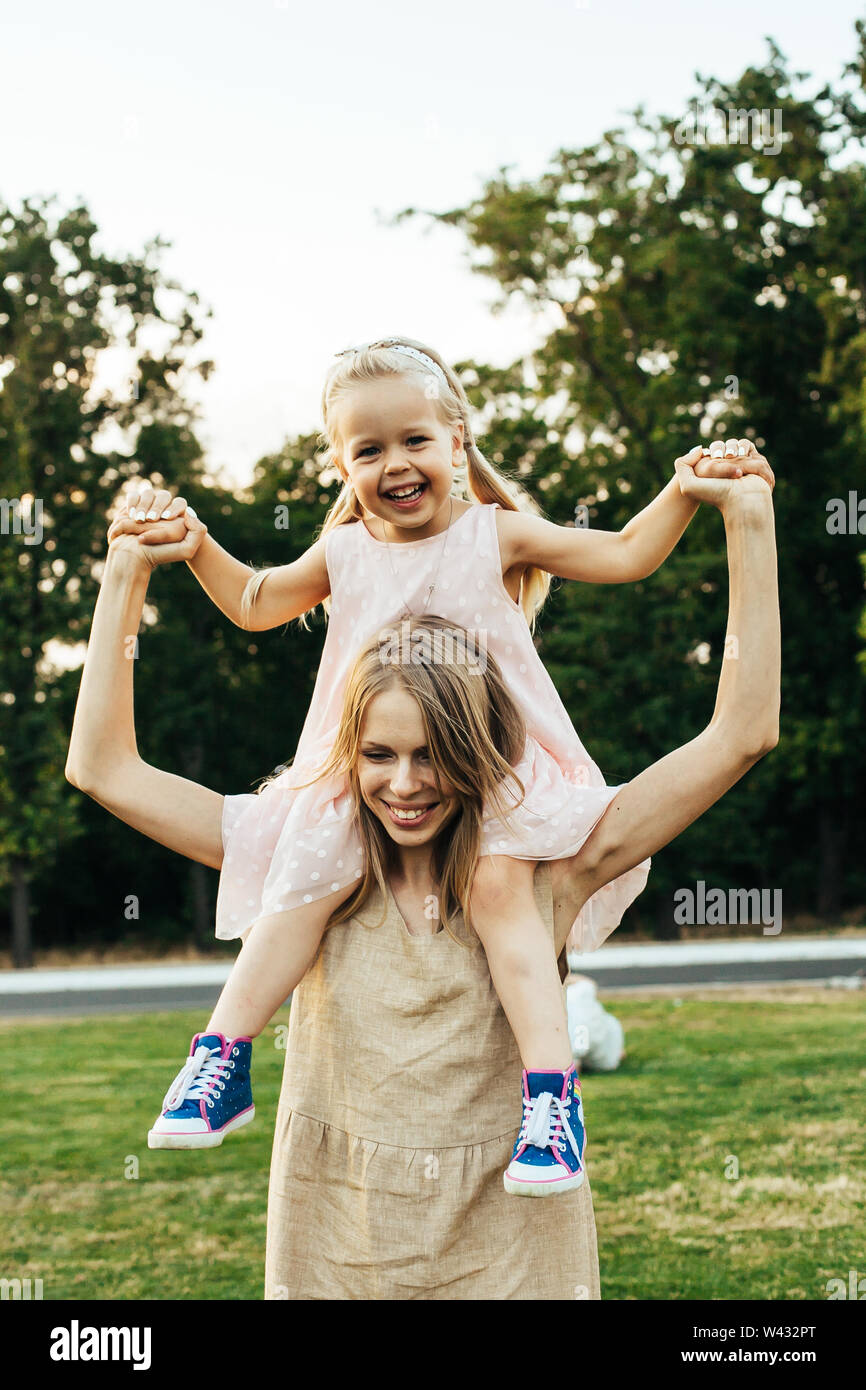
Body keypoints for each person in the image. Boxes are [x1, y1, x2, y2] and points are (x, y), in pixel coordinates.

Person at [64, 446, 779, 1297]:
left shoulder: (549, 867)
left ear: (481, 756)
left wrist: (746, 520)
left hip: (516, 1243)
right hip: (338, 1237)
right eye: (378, 754)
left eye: (435, 757)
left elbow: (741, 734)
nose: (404, 785)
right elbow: (102, 767)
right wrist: (126, 575)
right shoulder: (309, 853)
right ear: (347, 754)